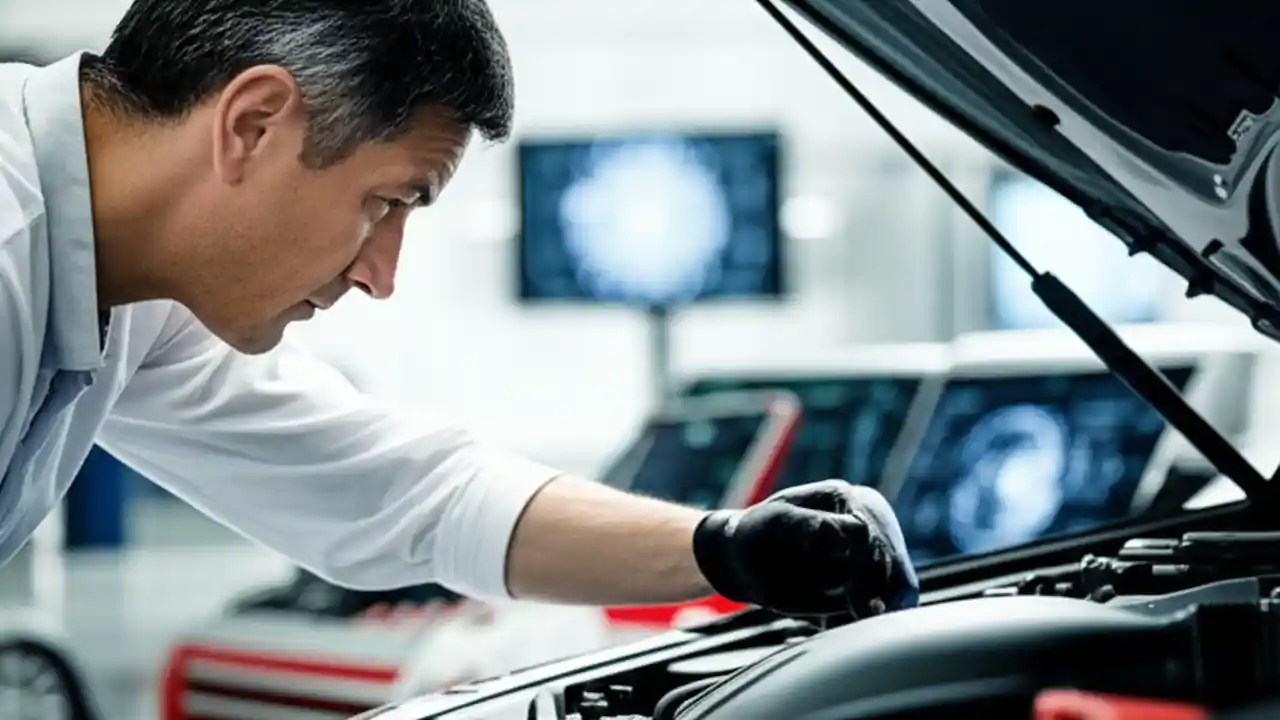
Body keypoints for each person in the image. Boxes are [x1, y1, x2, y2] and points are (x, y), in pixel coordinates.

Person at [0, 0, 917, 621]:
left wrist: (728, 549)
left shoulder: (142, 289)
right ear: (253, 124)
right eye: (387, 202)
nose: (381, 275)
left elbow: (406, 495)